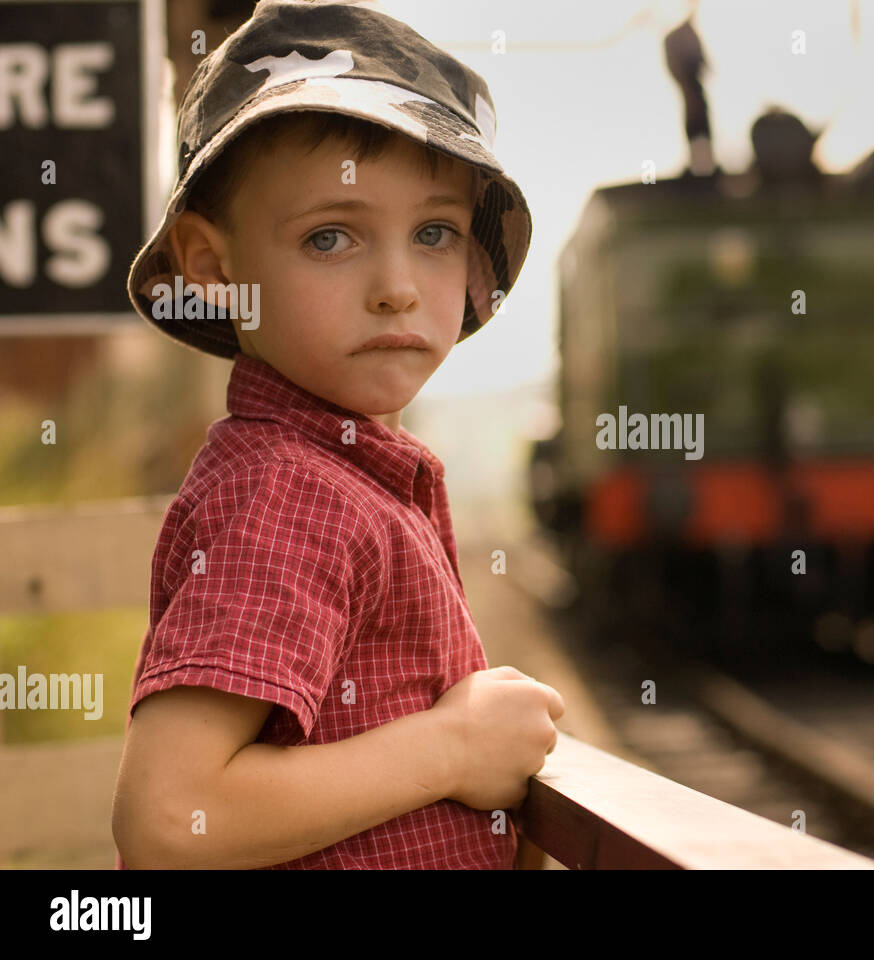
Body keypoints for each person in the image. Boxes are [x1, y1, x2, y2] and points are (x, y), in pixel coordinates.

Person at [111, 0, 563, 869]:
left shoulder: (350, 476)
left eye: (435, 233)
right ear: (211, 266)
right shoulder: (288, 492)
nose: (397, 286)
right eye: (330, 237)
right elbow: (170, 822)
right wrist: (454, 749)